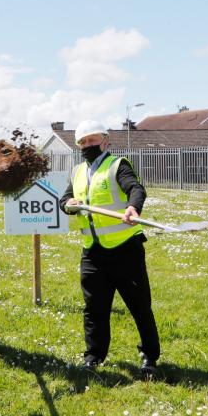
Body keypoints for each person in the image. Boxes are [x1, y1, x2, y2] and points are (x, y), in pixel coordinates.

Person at [60, 120, 160, 376]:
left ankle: (149, 357)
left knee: (139, 306)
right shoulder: (77, 172)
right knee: (94, 308)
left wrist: (133, 207)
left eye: (92, 140)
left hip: (125, 249)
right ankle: (94, 356)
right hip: (92, 252)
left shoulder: (118, 165)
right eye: (83, 142)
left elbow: (135, 188)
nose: (87, 145)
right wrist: (69, 204)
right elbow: (64, 200)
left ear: (105, 141)